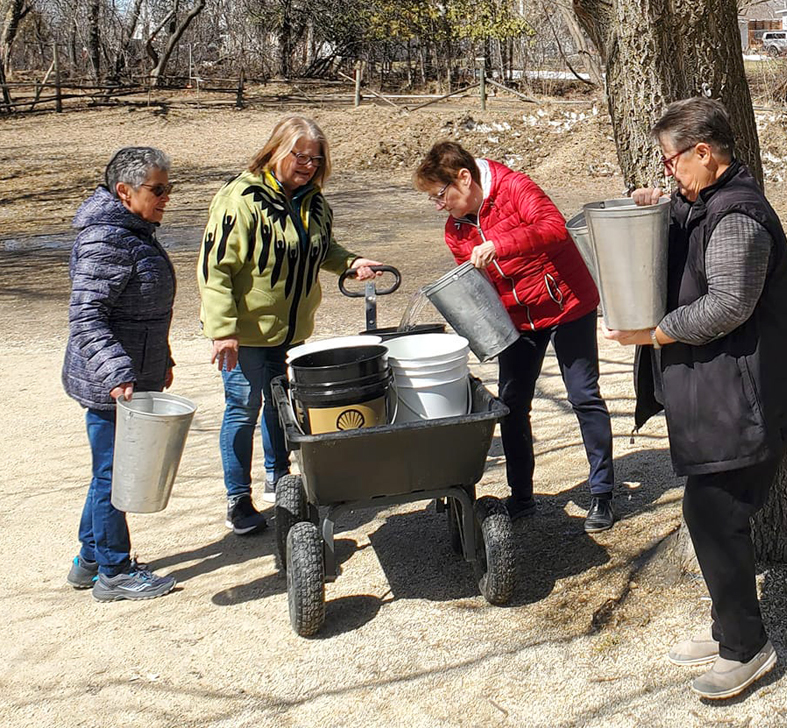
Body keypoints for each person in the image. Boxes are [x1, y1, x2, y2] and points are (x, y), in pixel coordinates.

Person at [605, 97, 787, 699]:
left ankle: (746, 648)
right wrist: (660, 203)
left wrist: (652, 334)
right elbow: (686, 217)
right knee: (714, 514)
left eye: (672, 162)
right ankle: (728, 623)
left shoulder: (739, 219)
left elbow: (728, 304)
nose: (668, 171)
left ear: (704, 152)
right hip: (725, 391)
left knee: (714, 513)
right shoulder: (705, 201)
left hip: (749, 398)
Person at [414, 141, 616, 533]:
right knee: (510, 403)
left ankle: (602, 494)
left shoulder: (513, 187)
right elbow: (475, 286)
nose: (439, 205)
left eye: (440, 195)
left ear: (464, 178)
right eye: (433, 200)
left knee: (583, 395)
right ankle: (521, 496)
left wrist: (499, 245)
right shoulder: (455, 231)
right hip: (517, 321)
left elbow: (553, 228)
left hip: (567, 303)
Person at [198, 116, 383, 535]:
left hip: (293, 333)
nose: (307, 166)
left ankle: (281, 482)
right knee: (244, 411)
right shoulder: (240, 198)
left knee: (284, 411)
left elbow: (322, 248)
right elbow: (216, 268)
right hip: (245, 335)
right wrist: (222, 329)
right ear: (276, 149)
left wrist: (351, 263)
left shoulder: (315, 202)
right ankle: (237, 499)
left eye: (315, 160)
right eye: (299, 156)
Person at [62, 147, 179, 602]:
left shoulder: (134, 230)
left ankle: (88, 559)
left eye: (169, 188)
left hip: (130, 375)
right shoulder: (106, 239)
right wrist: (117, 371)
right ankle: (113, 572)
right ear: (124, 191)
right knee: (115, 474)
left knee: (106, 471)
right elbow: (88, 317)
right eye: (158, 189)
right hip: (111, 384)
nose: (166, 197)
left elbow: (144, 309)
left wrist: (162, 358)